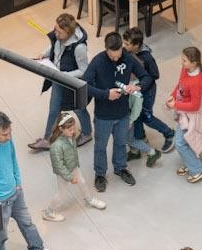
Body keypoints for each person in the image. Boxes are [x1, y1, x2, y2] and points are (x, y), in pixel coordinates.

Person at [0, 112, 61, 250]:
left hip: (16, 193)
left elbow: (13, 159)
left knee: (27, 223)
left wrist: (18, 183)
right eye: (5, 134)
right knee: (0, 235)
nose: (9, 137)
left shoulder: (7, 140)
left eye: (10, 132)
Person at [81, 31, 141, 194]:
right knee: (100, 146)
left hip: (122, 114)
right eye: (112, 56)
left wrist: (137, 86)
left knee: (121, 143)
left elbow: (146, 76)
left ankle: (120, 168)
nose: (115, 59)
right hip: (103, 116)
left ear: (122, 48)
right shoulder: (98, 61)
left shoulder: (128, 58)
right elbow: (83, 85)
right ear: (106, 49)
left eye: (118, 55)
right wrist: (106, 94)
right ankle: (100, 174)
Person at [30, 12, 90, 150]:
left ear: (68, 32)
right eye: (55, 29)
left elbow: (83, 70)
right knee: (54, 110)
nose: (55, 33)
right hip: (59, 80)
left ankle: (87, 133)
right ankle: (48, 139)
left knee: (79, 109)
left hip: (73, 84)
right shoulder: (59, 37)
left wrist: (65, 75)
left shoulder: (79, 48)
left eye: (59, 31)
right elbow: (55, 46)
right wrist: (44, 54)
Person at [122, 26, 172, 166]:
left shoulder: (147, 58)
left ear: (136, 45)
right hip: (135, 90)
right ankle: (138, 143)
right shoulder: (128, 52)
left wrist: (141, 85)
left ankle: (169, 133)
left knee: (146, 116)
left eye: (127, 44)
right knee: (136, 115)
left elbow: (155, 75)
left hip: (147, 91)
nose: (124, 46)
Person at [41, 111, 102, 219]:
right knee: (61, 194)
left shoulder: (70, 136)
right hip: (64, 173)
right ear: (61, 129)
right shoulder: (56, 146)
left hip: (73, 166)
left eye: (74, 128)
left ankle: (88, 200)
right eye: (70, 129)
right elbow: (59, 166)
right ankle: (48, 212)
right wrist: (70, 177)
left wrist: (75, 166)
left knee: (82, 182)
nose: (73, 131)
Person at [168, 45, 202, 184]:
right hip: (184, 112)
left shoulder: (197, 81)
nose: (182, 63)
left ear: (194, 63)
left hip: (190, 116)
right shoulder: (186, 69)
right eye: (182, 60)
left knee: (180, 143)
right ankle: (191, 163)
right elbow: (180, 84)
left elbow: (195, 106)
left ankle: (198, 169)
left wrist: (175, 104)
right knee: (187, 141)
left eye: (184, 61)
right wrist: (173, 96)